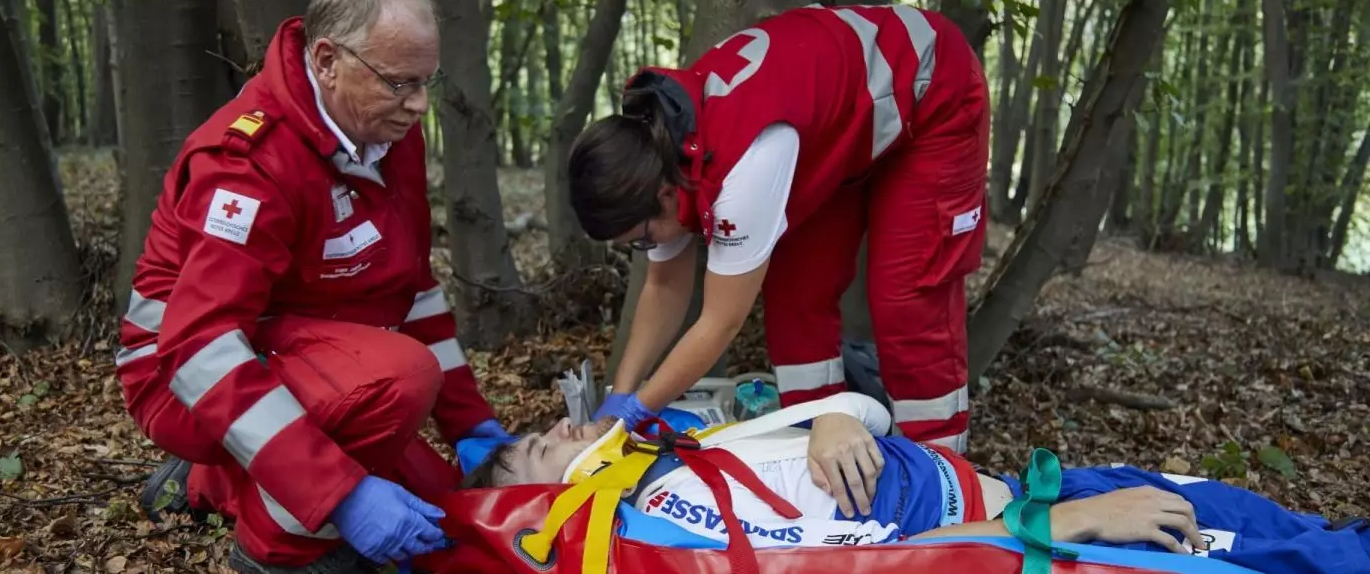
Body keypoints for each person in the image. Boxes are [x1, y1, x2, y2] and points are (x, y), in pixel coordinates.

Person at [112, 0, 508, 573]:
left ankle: (209, 484)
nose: (420, 105)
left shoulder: (384, 131)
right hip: (180, 375)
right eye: (401, 83)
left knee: (443, 510)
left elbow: (415, 291)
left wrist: (469, 421)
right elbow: (198, 347)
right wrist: (342, 497)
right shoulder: (248, 163)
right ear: (327, 60)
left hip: (303, 349)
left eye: (428, 81)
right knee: (399, 377)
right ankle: (279, 551)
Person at [569, 2, 989, 453]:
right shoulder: (661, 156)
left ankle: (940, 465)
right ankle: (818, 445)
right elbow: (663, 285)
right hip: (840, 126)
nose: (648, 249)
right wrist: (619, 396)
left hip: (931, 90)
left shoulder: (742, 167)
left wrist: (634, 417)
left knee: (905, 299)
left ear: (664, 196)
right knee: (795, 296)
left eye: (642, 240)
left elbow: (720, 323)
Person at [460, 393, 1370, 574]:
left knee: (1272, 515)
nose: (563, 428)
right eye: (540, 448)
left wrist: (840, 416)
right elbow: (867, 561)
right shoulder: (664, 520)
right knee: (1301, 556)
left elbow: (862, 403)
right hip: (1041, 532)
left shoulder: (688, 438)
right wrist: (1057, 524)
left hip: (1026, 487)